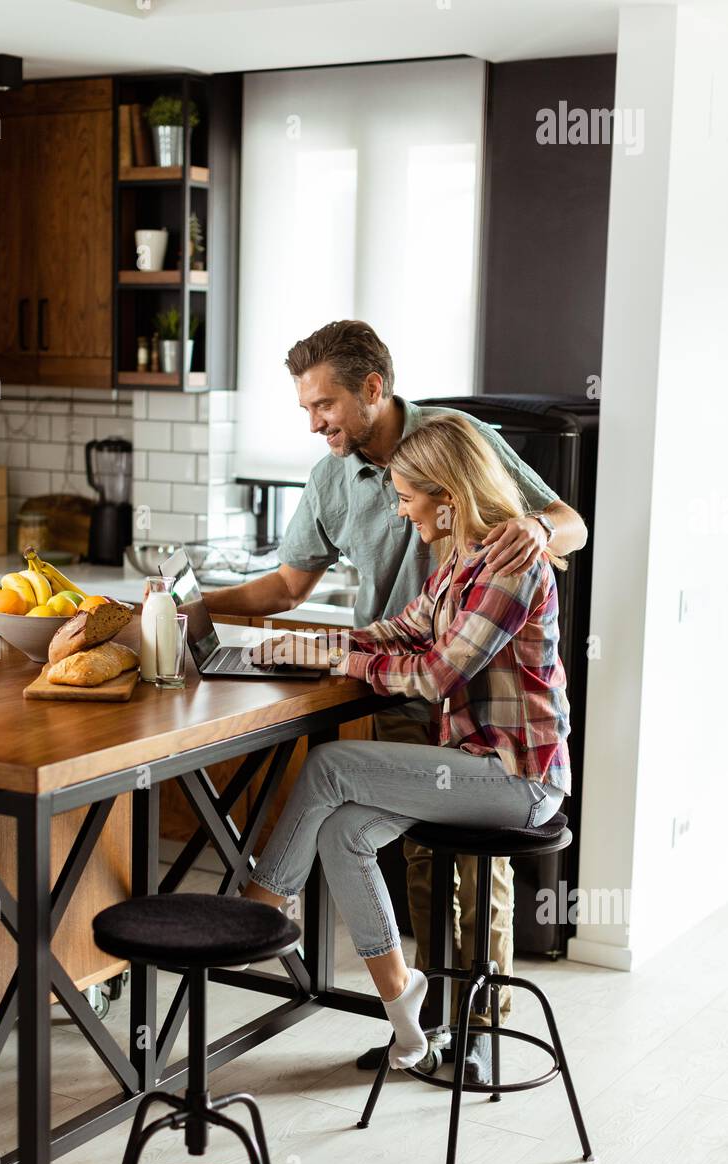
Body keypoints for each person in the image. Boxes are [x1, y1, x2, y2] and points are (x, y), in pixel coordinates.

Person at [207, 320, 587, 1078]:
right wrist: (311, 647)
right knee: (363, 839)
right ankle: (414, 1019)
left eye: (324, 405)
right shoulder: (443, 560)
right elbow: (384, 621)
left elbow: (443, 663)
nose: (315, 424)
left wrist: (535, 532)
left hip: (501, 756)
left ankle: (472, 1021)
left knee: (345, 784)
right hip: (432, 713)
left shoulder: (486, 522)